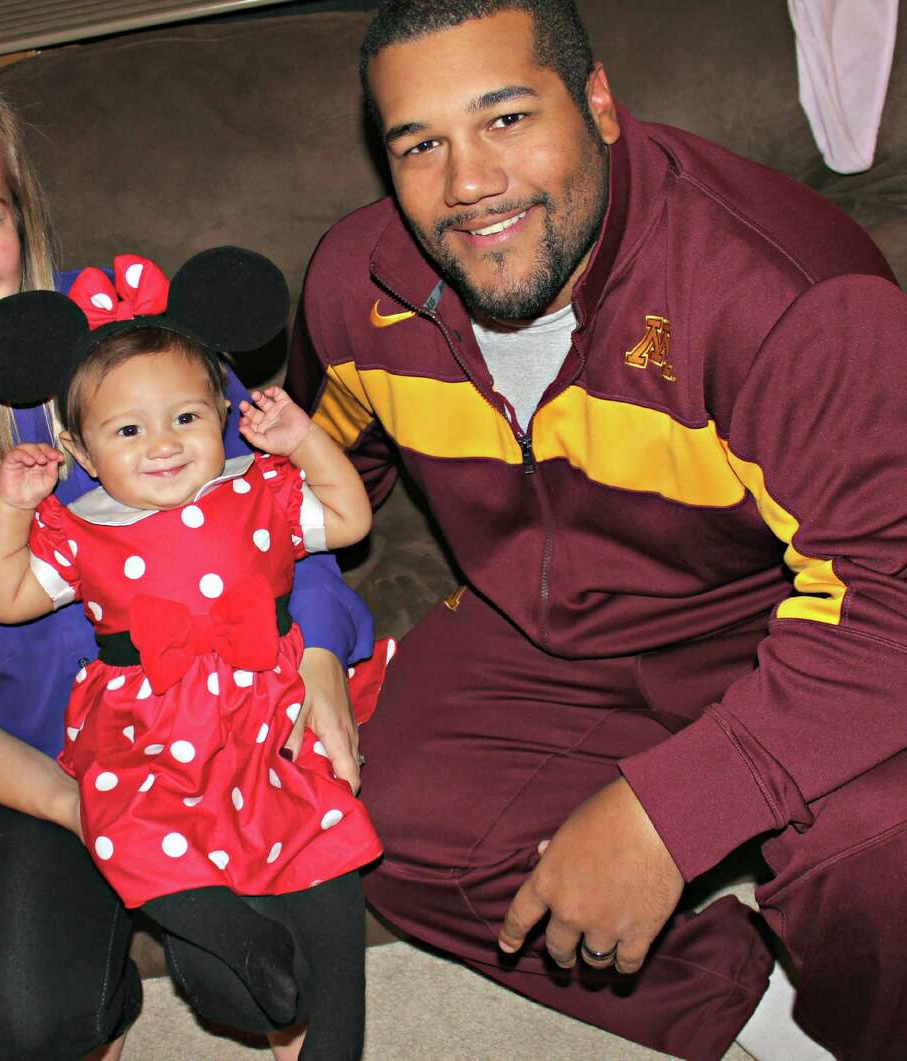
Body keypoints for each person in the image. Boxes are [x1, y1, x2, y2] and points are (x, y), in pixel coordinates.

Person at [287, 2, 907, 1059]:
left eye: (506, 118)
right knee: (378, 819)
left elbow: (891, 595)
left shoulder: (789, 296)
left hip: (774, 621)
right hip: (541, 629)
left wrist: (674, 809)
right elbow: (296, 495)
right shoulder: (359, 286)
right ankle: (758, 1013)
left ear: (601, 104)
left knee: (877, 851)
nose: (469, 183)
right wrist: (299, 637)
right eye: (421, 144)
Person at [0, 63, 373, 1061]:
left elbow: (271, 525)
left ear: (24, 220)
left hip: (239, 719)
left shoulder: (137, 348)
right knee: (14, 1022)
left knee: (272, 985)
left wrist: (316, 671)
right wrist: (71, 803)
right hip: (49, 761)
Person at [0, 248, 386, 1058]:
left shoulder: (256, 490)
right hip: (147, 727)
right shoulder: (80, 526)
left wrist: (303, 441)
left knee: (325, 841)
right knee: (124, 820)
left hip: (266, 713)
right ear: (83, 452)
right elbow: (5, 596)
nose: (162, 443)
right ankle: (225, 932)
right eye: (127, 429)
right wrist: (10, 507)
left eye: (186, 417)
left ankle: (333, 1031)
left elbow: (349, 521)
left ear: (222, 415)